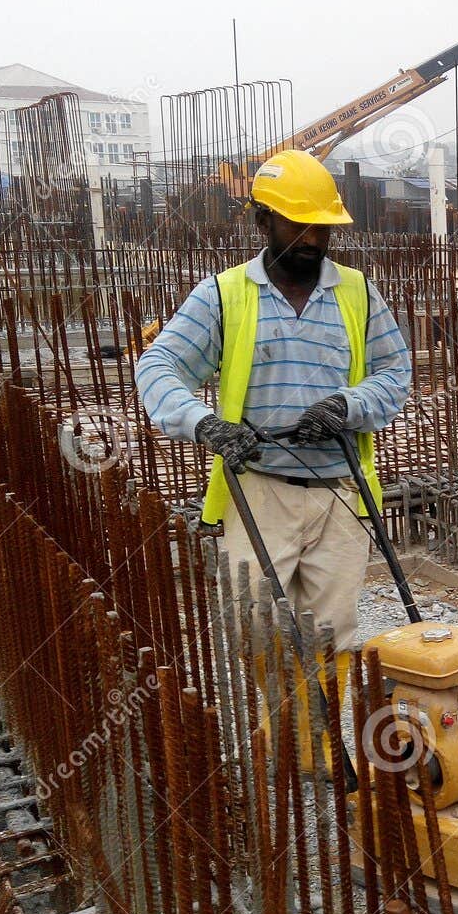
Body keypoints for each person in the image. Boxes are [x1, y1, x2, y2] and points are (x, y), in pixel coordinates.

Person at [136, 150, 412, 749]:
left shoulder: (359, 296)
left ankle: (316, 746)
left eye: (324, 227)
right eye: (299, 224)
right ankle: (285, 734)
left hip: (340, 494)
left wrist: (347, 406)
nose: (314, 238)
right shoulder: (224, 295)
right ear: (263, 221)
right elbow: (158, 364)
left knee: (333, 631)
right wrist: (203, 424)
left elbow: (395, 375)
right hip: (259, 489)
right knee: (256, 624)